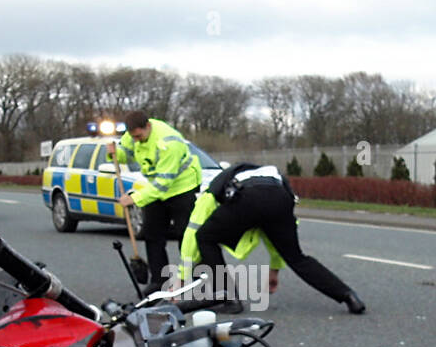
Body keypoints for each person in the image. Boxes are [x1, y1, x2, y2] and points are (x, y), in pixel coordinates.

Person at [180, 162, 365, 313]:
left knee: (205, 237)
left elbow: (193, 228)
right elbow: (274, 235)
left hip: (248, 198)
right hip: (280, 199)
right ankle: (349, 296)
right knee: (297, 258)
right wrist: (275, 269)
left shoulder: (219, 182)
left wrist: (181, 276)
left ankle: (230, 299)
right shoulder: (274, 174)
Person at [116, 110, 202, 293]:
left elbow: (163, 184)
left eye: (139, 136)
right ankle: (159, 280)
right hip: (155, 188)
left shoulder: (169, 143)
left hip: (182, 187)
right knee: (152, 233)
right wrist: (113, 153)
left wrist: (134, 198)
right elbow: (124, 152)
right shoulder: (132, 134)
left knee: (185, 235)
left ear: (148, 126)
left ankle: (197, 280)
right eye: (133, 137)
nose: (136, 140)